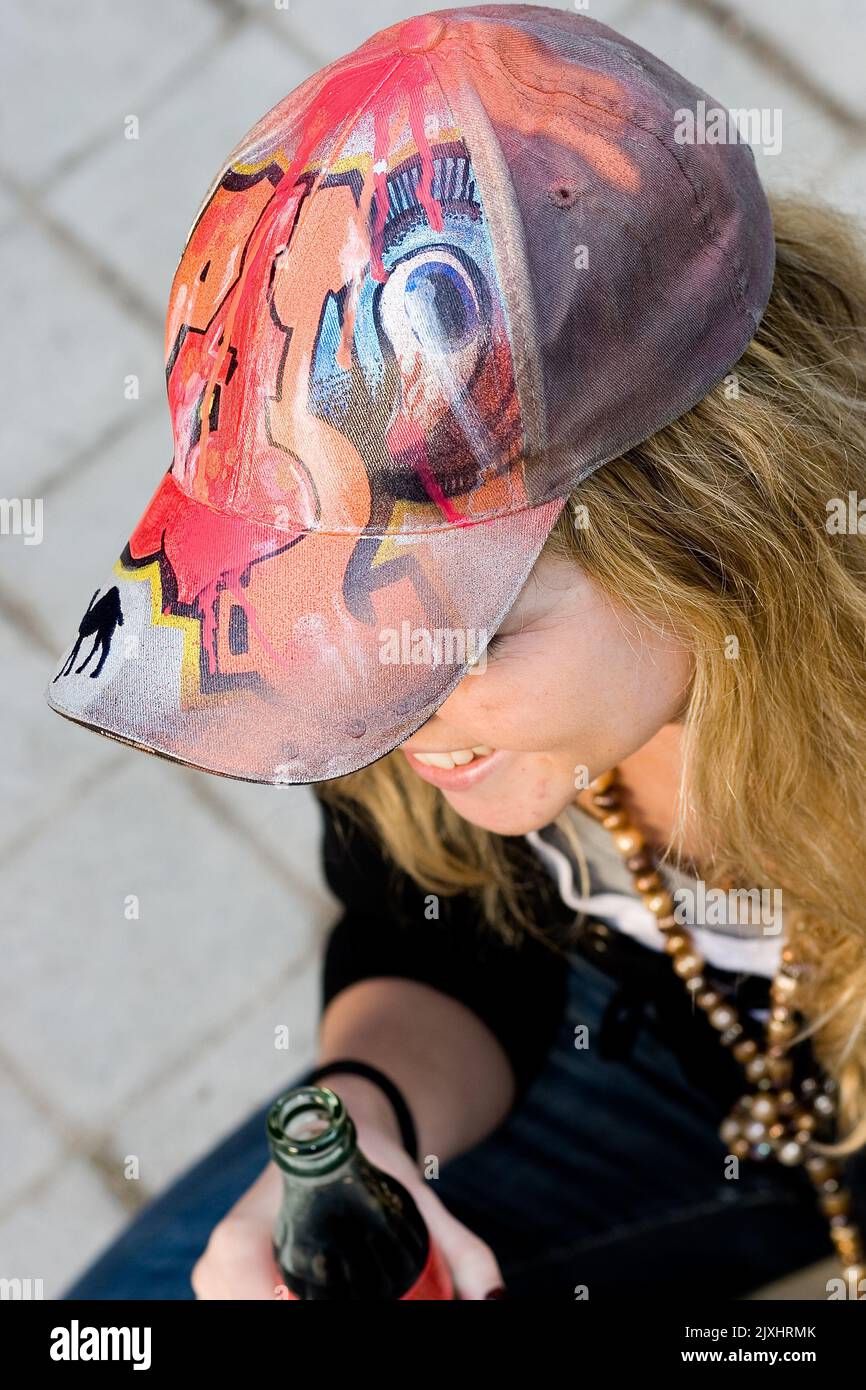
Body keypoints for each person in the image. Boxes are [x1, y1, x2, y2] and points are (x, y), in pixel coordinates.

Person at [49, 7, 866, 1300]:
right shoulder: (377, 638)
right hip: (628, 1051)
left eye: (468, 633)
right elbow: (430, 930)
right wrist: (364, 1129)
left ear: (710, 524)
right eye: (329, 619)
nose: (395, 699)